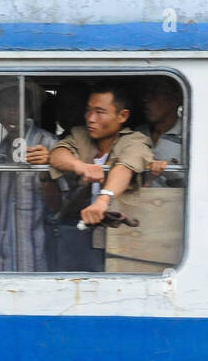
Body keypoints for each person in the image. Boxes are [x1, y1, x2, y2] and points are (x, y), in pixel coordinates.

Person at [47, 86, 154, 271]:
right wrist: (80, 166)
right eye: (88, 110)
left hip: (122, 236)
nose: (90, 118)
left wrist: (103, 200)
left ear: (123, 116)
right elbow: (57, 154)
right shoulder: (81, 135)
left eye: (100, 112)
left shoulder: (135, 141)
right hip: (78, 235)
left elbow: (125, 168)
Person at [0, 80, 57, 272]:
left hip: (36, 260)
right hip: (0, 259)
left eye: (19, 105)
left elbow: (59, 207)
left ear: (29, 108)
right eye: (6, 105)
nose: (13, 111)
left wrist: (45, 171)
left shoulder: (48, 144)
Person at [140, 78, 183, 182]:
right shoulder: (138, 133)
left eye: (154, 94)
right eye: (146, 94)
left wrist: (167, 170)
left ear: (175, 99)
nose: (146, 99)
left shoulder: (191, 135)